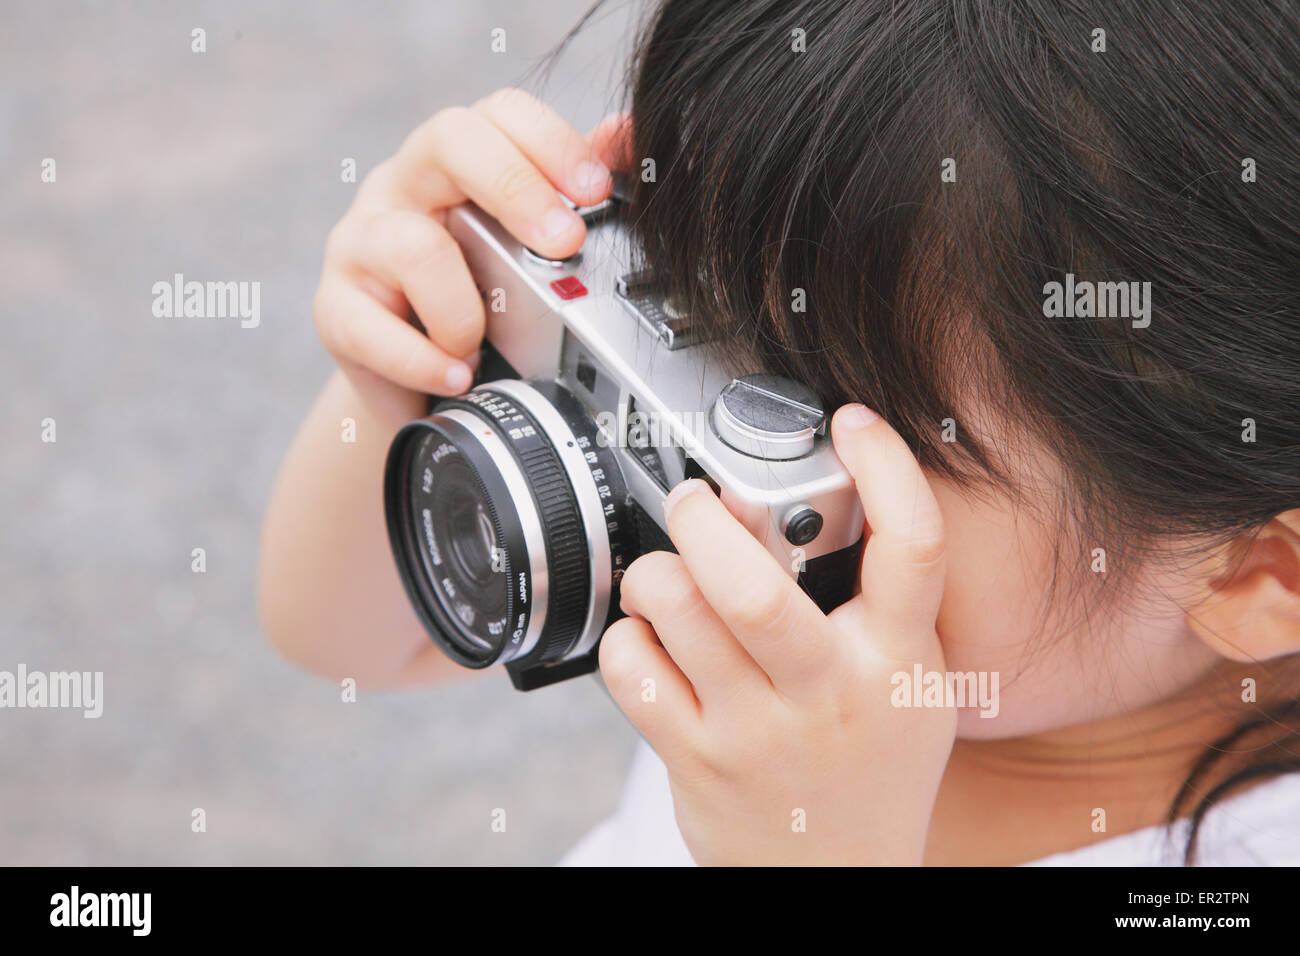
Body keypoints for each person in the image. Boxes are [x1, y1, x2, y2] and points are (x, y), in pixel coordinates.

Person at [258, 0, 1300, 865]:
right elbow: (357, 641)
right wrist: (404, 381)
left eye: (827, 419)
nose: (714, 455)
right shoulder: (798, 641)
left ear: (1261, 576)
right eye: (682, 308)